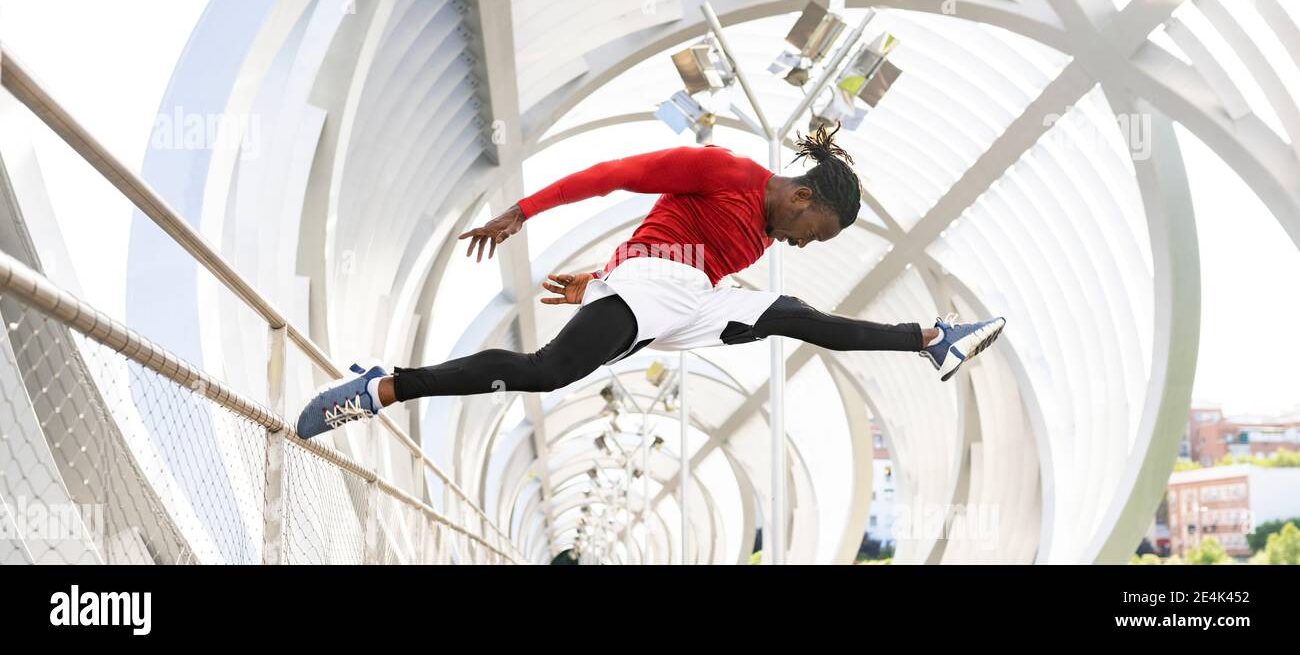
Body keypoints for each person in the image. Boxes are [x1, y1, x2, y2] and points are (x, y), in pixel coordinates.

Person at [295, 124, 1004, 438]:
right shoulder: (725, 171)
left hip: (682, 300)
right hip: (659, 286)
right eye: (810, 231)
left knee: (791, 313)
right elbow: (618, 176)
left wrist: (600, 281)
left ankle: (933, 340)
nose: (800, 241)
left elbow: (682, 257)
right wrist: (523, 210)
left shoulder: (759, 233)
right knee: (547, 373)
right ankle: (382, 386)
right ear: (802, 198)